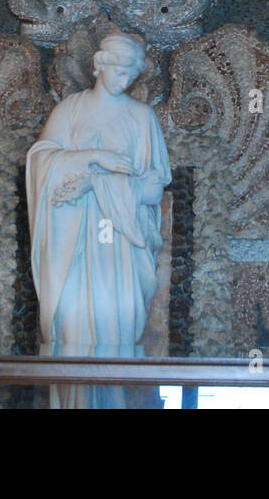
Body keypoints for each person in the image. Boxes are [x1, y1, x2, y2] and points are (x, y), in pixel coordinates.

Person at [26, 33, 171, 408]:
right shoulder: (69, 112)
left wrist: (95, 183)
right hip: (71, 244)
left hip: (122, 250)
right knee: (72, 330)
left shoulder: (143, 118)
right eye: (118, 71)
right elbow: (41, 164)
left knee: (117, 332)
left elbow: (154, 190)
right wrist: (96, 157)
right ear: (98, 66)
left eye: (130, 75)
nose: (123, 80)